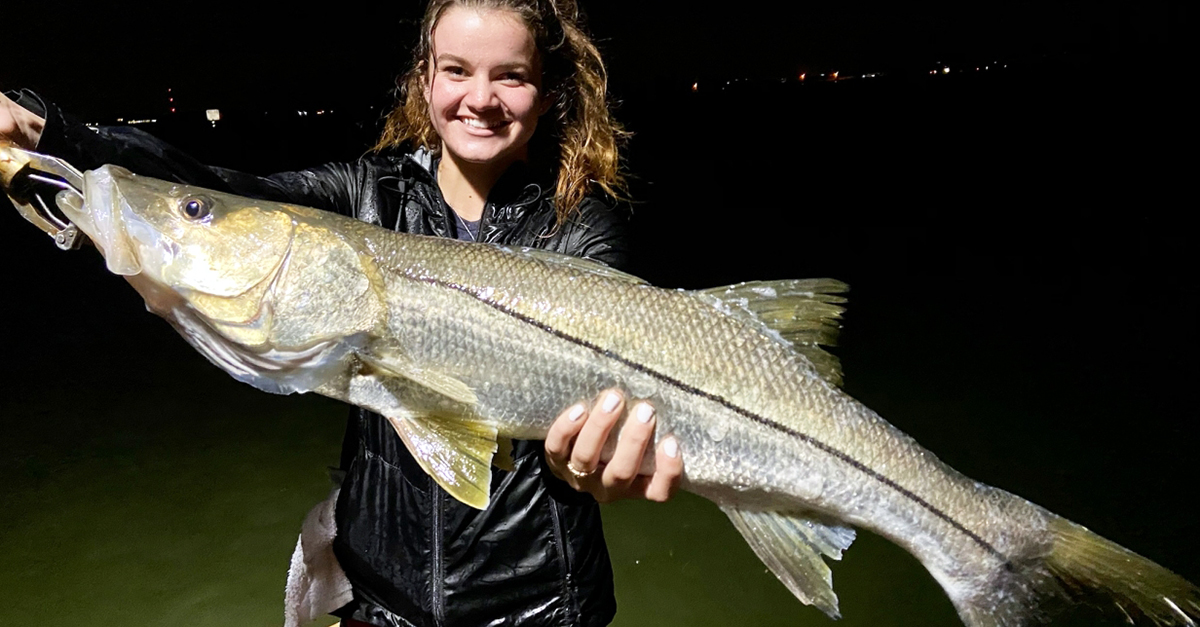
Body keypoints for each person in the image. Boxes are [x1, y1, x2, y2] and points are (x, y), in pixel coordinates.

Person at [0, 1, 684, 625]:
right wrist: (50, 132)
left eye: (511, 76)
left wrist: (585, 467)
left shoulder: (580, 229)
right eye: (456, 70)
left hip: (542, 607)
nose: (480, 98)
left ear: (548, 92)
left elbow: (595, 435)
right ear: (424, 78)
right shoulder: (365, 196)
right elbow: (225, 191)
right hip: (379, 601)